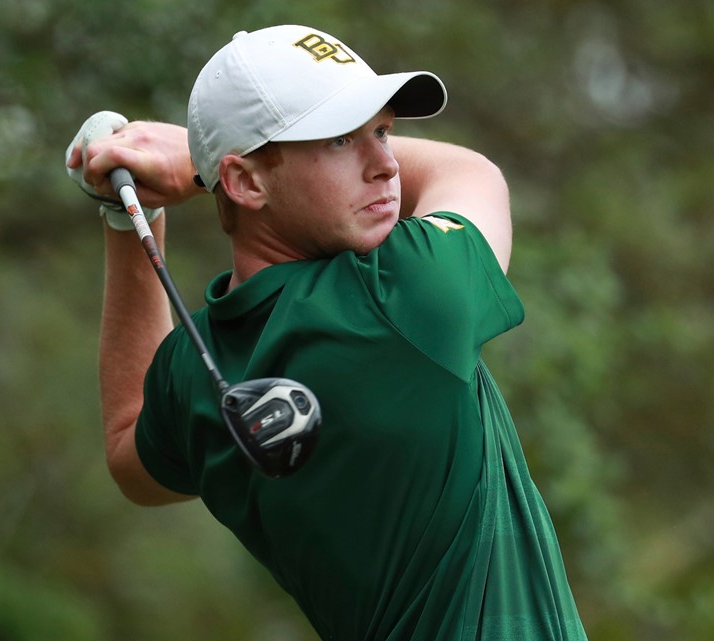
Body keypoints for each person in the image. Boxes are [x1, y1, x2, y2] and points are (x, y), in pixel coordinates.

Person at [65, 24, 588, 641]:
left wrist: (130, 217)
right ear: (247, 183)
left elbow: (131, 459)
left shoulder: (191, 371)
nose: (386, 165)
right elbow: (470, 171)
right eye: (341, 139)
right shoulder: (405, 290)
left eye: (382, 131)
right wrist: (191, 160)